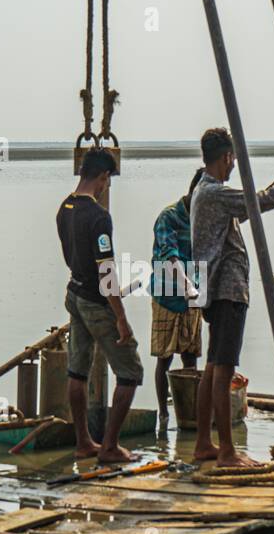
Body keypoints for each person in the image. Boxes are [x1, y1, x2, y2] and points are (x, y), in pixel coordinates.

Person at [190, 127, 274, 468]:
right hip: (226, 289)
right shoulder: (212, 192)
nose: (234, 163)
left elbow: (249, 207)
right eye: (233, 157)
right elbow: (259, 201)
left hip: (218, 291)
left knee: (212, 367)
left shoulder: (206, 191)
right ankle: (225, 451)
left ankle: (204, 444)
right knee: (223, 369)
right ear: (225, 157)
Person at [56, 148, 144, 462]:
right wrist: (120, 318)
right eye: (108, 181)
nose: (107, 187)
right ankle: (108, 446)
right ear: (103, 177)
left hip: (74, 293)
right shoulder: (98, 217)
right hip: (94, 300)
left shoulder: (64, 209)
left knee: (77, 371)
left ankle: (84, 442)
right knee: (130, 372)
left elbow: (72, 257)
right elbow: (106, 271)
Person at [150, 169, 204, 429]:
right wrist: (186, 286)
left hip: (193, 293)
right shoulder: (168, 217)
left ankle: (190, 414)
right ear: (193, 193)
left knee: (191, 356)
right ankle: (163, 414)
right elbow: (171, 256)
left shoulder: (203, 218)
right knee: (164, 357)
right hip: (167, 296)